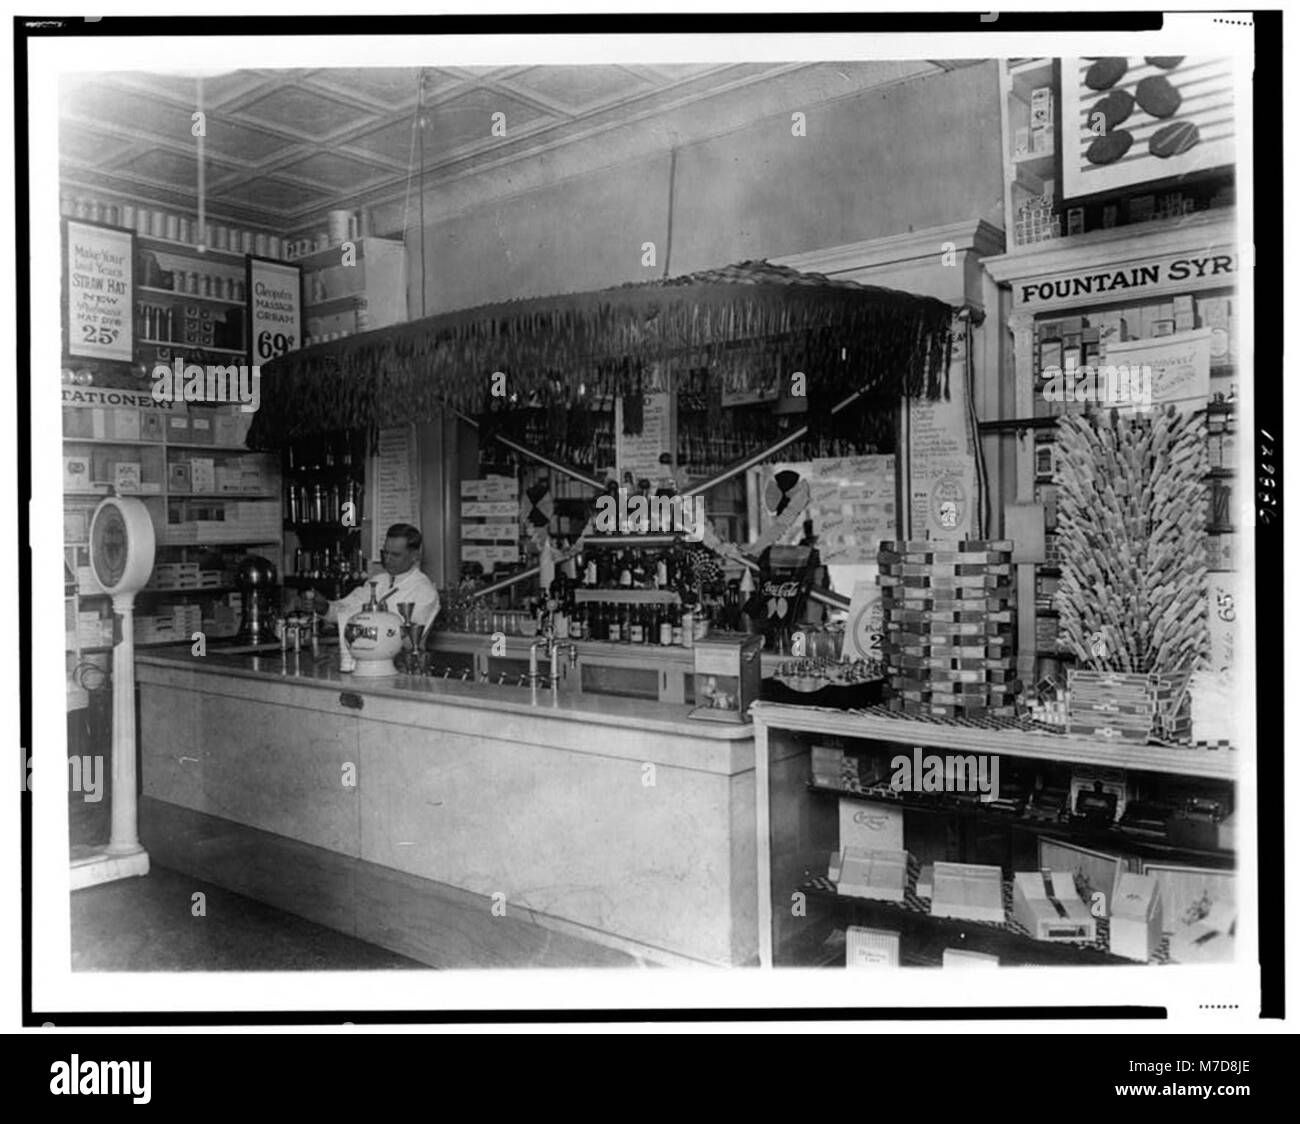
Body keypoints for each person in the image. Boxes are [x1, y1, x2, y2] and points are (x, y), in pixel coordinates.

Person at [316, 523, 440, 644]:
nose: (387, 559)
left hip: (397, 661)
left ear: (414, 556)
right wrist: (324, 608)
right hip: (365, 657)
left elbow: (410, 641)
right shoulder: (378, 581)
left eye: (395, 555)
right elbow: (347, 610)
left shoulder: (424, 591)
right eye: (385, 552)